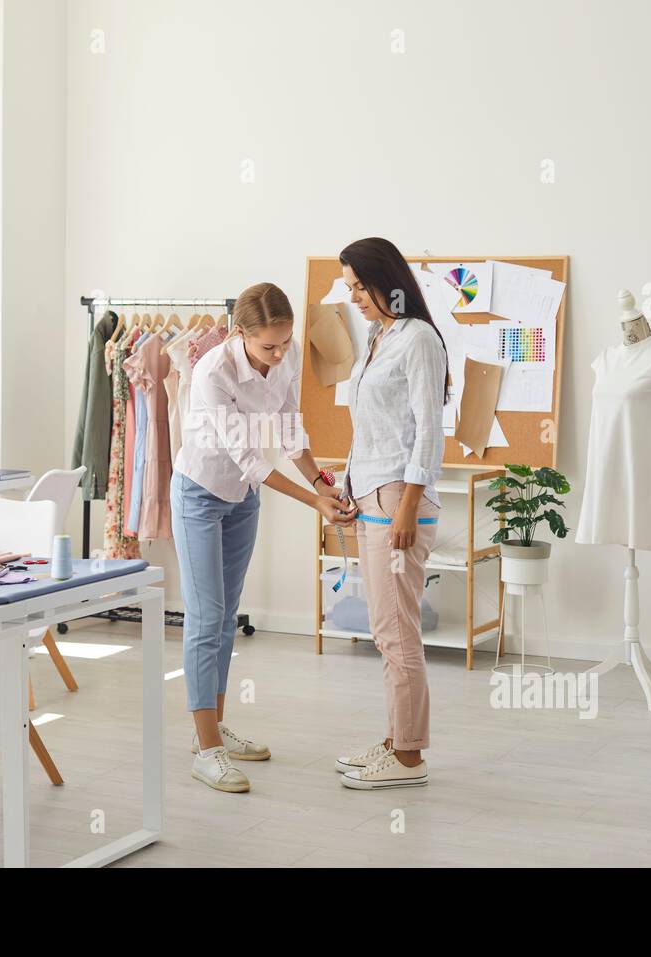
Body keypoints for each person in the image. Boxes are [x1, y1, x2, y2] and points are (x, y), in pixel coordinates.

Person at [173, 281, 356, 793]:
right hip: (200, 494)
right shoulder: (213, 372)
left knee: (226, 617)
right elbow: (249, 460)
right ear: (240, 335)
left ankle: (210, 733)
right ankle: (207, 752)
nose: (278, 355)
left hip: (241, 500)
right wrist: (313, 503)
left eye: (284, 343)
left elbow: (289, 427)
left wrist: (323, 483)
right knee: (205, 619)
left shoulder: (289, 353)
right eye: (267, 346)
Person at [332, 237, 449, 791]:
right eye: (349, 287)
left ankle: (408, 758)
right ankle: (398, 739)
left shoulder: (419, 339)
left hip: (400, 500)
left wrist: (405, 505)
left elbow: (429, 431)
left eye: (359, 285)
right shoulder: (382, 337)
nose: (353, 297)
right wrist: (348, 489)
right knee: (387, 630)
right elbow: (371, 430)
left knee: (397, 633)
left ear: (387, 279)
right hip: (375, 497)